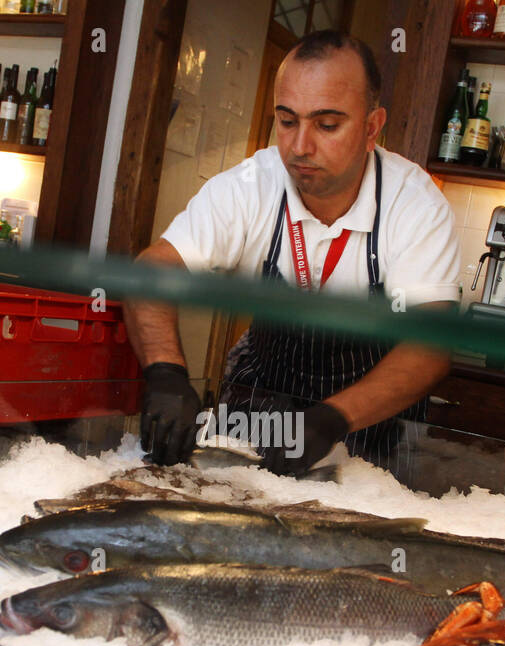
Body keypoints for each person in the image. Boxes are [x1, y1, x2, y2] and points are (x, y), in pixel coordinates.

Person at [124, 30, 461, 476]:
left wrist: (330, 419)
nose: (300, 146)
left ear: (371, 127)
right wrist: (166, 374)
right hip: (261, 394)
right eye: (286, 121)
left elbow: (431, 342)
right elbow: (154, 270)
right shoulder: (250, 185)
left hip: (368, 419)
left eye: (326, 125)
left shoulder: (414, 202)